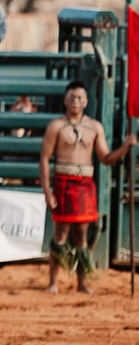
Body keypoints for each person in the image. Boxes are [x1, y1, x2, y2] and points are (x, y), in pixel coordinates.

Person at [39, 80, 134, 294]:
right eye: (72, 97)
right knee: (60, 234)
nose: (75, 102)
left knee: (82, 235)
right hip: (63, 183)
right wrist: (47, 190)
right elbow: (44, 159)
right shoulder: (56, 126)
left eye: (80, 98)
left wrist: (126, 147)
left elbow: (106, 158)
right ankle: (53, 281)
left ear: (86, 101)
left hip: (84, 186)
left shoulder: (94, 127)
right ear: (65, 100)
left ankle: (82, 282)